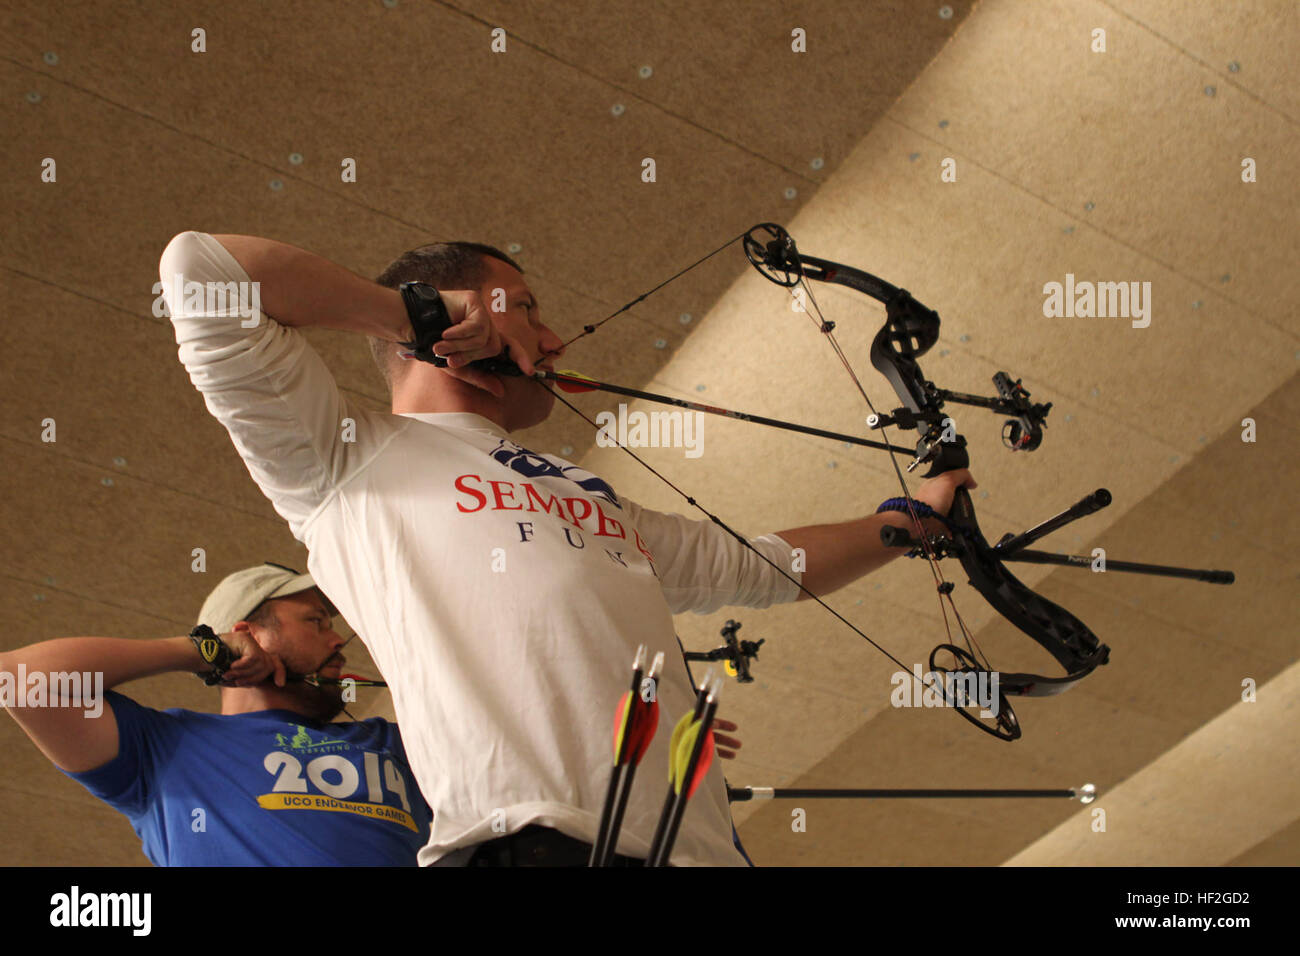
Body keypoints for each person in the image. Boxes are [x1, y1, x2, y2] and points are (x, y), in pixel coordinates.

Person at [159, 231, 972, 866]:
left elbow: (757, 566)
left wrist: (917, 521)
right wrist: (413, 315)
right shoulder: (341, 457)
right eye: (527, 308)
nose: (551, 338)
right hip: (529, 844)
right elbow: (200, 272)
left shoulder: (589, 494)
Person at [1, 562, 431, 865]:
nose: (337, 640)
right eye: (316, 622)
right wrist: (206, 650)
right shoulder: (163, 749)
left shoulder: (394, 742)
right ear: (247, 635)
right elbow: (16, 679)